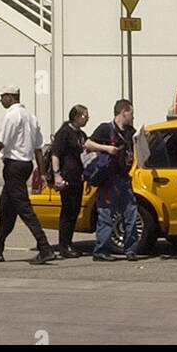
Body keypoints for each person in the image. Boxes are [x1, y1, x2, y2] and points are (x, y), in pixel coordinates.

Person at [0, 86, 56, 265]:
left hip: (14, 168)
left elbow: (0, 143)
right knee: (5, 209)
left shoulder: (11, 116)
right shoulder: (31, 117)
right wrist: (41, 172)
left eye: (2, 97)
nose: (0, 100)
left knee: (24, 209)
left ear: (10, 97)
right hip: (25, 166)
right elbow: (39, 149)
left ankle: (44, 247)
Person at [51, 104, 117, 258]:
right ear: (76, 116)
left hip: (78, 178)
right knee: (67, 212)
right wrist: (57, 175)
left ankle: (69, 243)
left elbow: (87, 148)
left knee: (74, 211)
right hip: (66, 177)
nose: (87, 118)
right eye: (85, 115)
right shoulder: (64, 132)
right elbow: (56, 154)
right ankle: (64, 246)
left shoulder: (80, 134)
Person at [89, 98, 139, 261]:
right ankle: (101, 251)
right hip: (109, 180)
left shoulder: (131, 132)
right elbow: (88, 144)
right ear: (123, 112)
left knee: (131, 215)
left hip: (125, 179)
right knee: (106, 215)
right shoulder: (105, 129)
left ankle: (131, 249)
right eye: (131, 113)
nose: (133, 116)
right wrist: (106, 148)